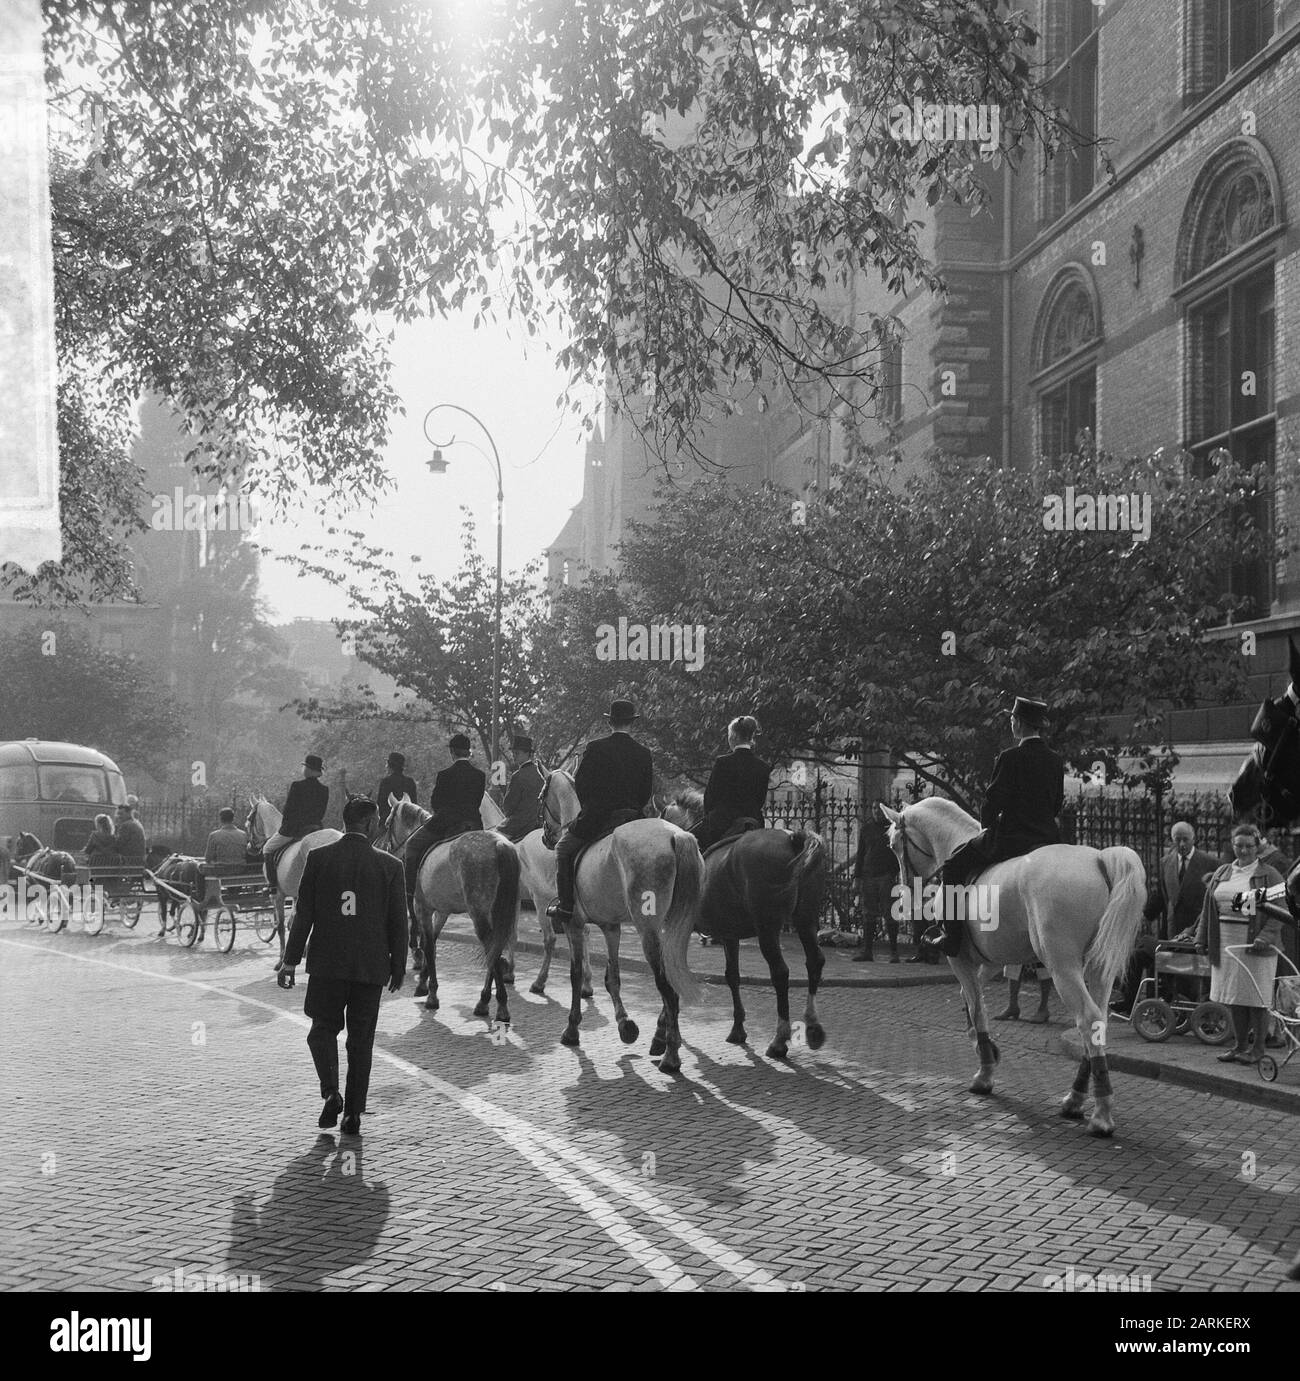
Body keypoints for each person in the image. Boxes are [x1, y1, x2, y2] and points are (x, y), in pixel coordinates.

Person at [277, 797, 406, 1136]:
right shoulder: (391, 866)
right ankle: (352, 1114)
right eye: (377, 819)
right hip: (370, 967)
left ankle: (330, 1091)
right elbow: (398, 922)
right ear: (370, 823)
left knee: (322, 1030)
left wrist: (290, 961)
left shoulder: (319, 859)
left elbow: (303, 914)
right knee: (360, 1040)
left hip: (327, 965)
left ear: (346, 822)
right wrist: (399, 965)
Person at [928, 696, 1064, 957]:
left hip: (1012, 837)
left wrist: (987, 830)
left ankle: (951, 937)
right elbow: (1056, 804)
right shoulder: (1055, 759)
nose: (1011, 724)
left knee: (952, 867)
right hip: (1048, 838)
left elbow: (992, 803)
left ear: (1020, 724)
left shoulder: (1010, 757)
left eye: (1012, 719)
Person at [546, 700, 653, 929]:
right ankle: (651, 906)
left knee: (562, 850)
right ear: (631, 723)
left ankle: (565, 905)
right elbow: (646, 792)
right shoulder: (644, 753)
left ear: (609, 722)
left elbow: (582, 785)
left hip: (600, 817)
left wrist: (590, 809)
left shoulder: (596, 747)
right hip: (634, 816)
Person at [1192, 821, 1288, 1065]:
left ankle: (1257, 1049)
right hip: (1226, 943)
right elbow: (1208, 909)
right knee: (1234, 997)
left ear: (1257, 847)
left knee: (1256, 998)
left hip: (1254, 946)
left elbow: (1281, 911)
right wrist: (1201, 938)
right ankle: (1239, 1045)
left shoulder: (1268, 874)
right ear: (1232, 846)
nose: (1243, 851)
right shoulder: (1223, 872)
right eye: (1239, 845)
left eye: (1248, 846)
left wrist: (1264, 937)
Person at [1113, 821, 1218, 1011]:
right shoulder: (1166, 862)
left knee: (1143, 949)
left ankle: (1164, 999)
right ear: (1172, 840)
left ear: (1194, 838)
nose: (1182, 844)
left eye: (1186, 839)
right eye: (1177, 840)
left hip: (1195, 934)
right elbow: (1162, 896)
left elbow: (1214, 901)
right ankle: (1130, 999)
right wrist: (1144, 915)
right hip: (1171, 929)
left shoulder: (1210, 864)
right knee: (1138, 953)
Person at [401, 734, 485, 917]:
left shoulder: (445, 775)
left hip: (447, 823)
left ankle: (408, 894)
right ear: (468, 752)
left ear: (452, 752)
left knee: (412, 845)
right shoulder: (480, 776)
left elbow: (436, 803)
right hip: (474, 824)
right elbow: (477, 802)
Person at [690, 715, 770, 852]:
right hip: (753, 821)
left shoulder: (722, 762)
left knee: (688, 843)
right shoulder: (763, 766)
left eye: (729, 735)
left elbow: (710, 796)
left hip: (723, 822)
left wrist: (710, 816)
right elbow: (760, 800)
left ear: (734, 736)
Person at [262, 755, 329, 883]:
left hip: (294, 829)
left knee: (267, 848)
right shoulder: (324, 789)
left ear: (308, 769)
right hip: (315, 829)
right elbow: (321, 813)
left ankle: (272, 886)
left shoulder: (297, 785)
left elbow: (289, 810)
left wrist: (284, 827)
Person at [851, 802, 901, 962]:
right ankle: (867, 951)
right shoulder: (866, 829)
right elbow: (860, 854)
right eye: (874, 809)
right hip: (868, 875)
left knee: (890, 914)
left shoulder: (892, 827)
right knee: (868, 914)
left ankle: (894, 952)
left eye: (880, 810)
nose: (877, 813)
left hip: (886, 875)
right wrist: (856, 877)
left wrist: (894, 873)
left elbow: (898, 852)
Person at [498, 735, 546, 842]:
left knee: (492, 841)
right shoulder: (542, 773)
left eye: (517, 753)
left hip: (519, 825)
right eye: (513, 753)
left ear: (527, 754)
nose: (514, 756)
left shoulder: (518, 776)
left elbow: (508, 808)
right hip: (540, 823)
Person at [374, 751, 418, 827]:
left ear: (390, 766)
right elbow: (414, 804)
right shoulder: (410, 782)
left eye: (387, 764)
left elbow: (380, 804)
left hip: (388, 822)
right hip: (407, 822)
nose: (386, 766)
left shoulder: (386, 782)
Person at [114, 798, 147, 864]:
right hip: (138, 859)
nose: (119, 816)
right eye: (118, 814)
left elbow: (118, 844)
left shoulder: (126, 825)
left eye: (121, 814)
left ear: (129, 813)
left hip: (129, 860)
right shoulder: (136, 823)